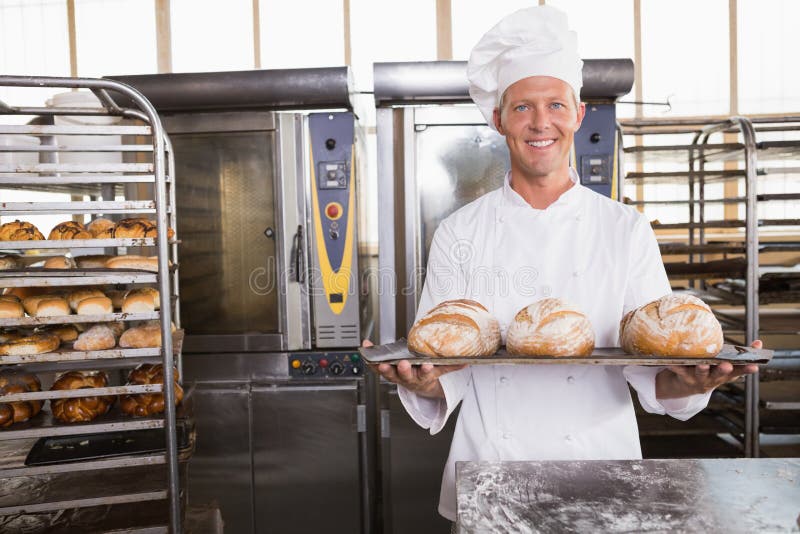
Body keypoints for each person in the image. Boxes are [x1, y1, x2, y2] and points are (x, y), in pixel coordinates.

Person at [372, 5, 760, 526]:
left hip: (603, 471)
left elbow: (654, 370)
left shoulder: (625, 229)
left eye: (556, 104)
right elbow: (445, 367)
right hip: (493, 471)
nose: (540, 122)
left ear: (578, 115)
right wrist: (419, 383)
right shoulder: (459, 232)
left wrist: (695, 384)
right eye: (522, 107)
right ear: (498, 120)